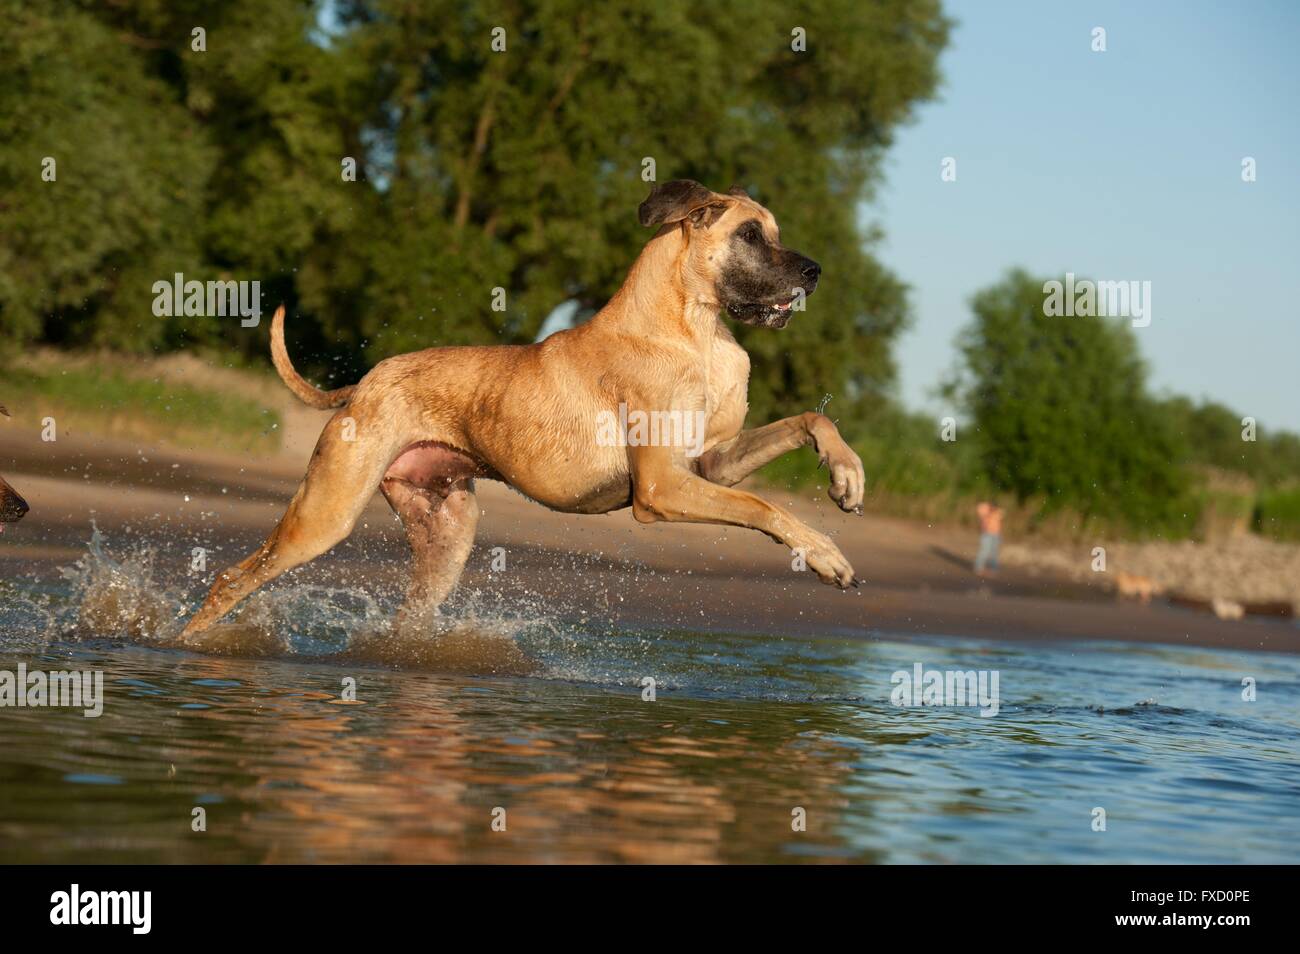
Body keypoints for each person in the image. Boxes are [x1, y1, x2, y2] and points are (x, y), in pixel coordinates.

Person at [974, 500, 1003, 576]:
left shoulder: (998, 512)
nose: (993, 508)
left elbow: (1000, 516)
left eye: (995, 506)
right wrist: (988, 507)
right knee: (984, 551)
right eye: (992, 506)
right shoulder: (985, 511)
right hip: (986, 534)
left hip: (996, 534)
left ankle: (994, 569)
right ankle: (978, 568)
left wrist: (994, 511)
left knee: (994, 552)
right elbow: (980, 508)